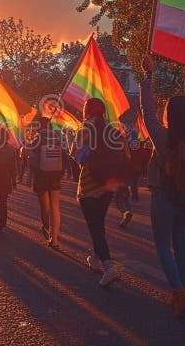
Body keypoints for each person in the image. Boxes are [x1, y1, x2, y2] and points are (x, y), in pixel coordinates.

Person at [140, 56, 185, 315]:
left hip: (164, 196)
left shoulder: (162, 137)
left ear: (169, 114)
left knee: (162, 245)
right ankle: (180, 289)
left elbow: (146, 111)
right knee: (181, 242)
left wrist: (148, 77)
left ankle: (180, 293)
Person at [73, 98, 122, 287]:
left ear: (88, 111)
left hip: (89, 185)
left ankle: (109, 267)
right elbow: (122, 154)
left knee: (95, 227)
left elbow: (75, 154)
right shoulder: (113, 130)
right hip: (108, 185)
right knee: (98, 223)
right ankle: (94, 258)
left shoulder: (85, 129)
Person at [30, 117, 64, 247]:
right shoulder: (57, 137)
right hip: (55, 176)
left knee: (45, 206)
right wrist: (61, 172)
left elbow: (32, 159)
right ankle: (54, 239)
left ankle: (46, 229)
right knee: (55, 207)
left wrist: (35, 171)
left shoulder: (37, 138)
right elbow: (65, 157)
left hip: (42, 176)